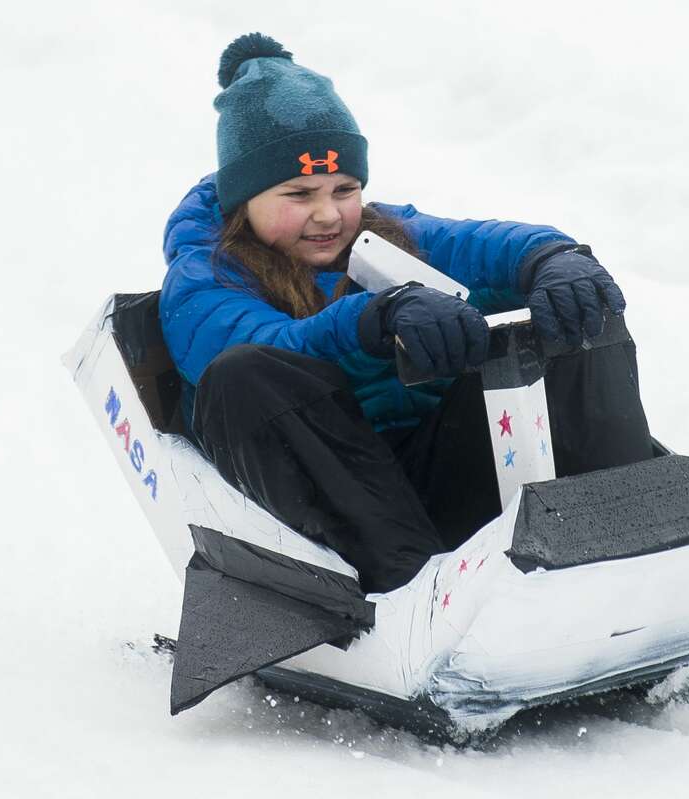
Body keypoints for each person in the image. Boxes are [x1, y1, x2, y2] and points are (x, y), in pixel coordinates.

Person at [161, 33, 652, 594]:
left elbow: (480, 245)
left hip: (432, 480)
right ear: (241, 199)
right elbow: (266, 345)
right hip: (328, 517)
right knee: (243, 373)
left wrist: (553, 258)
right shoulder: (205, 275)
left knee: (573, 315)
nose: (327, 214)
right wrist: (374, 319)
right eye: (298, 194)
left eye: (344, 189)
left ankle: (630, 543)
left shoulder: (384, 235)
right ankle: (413, 602)